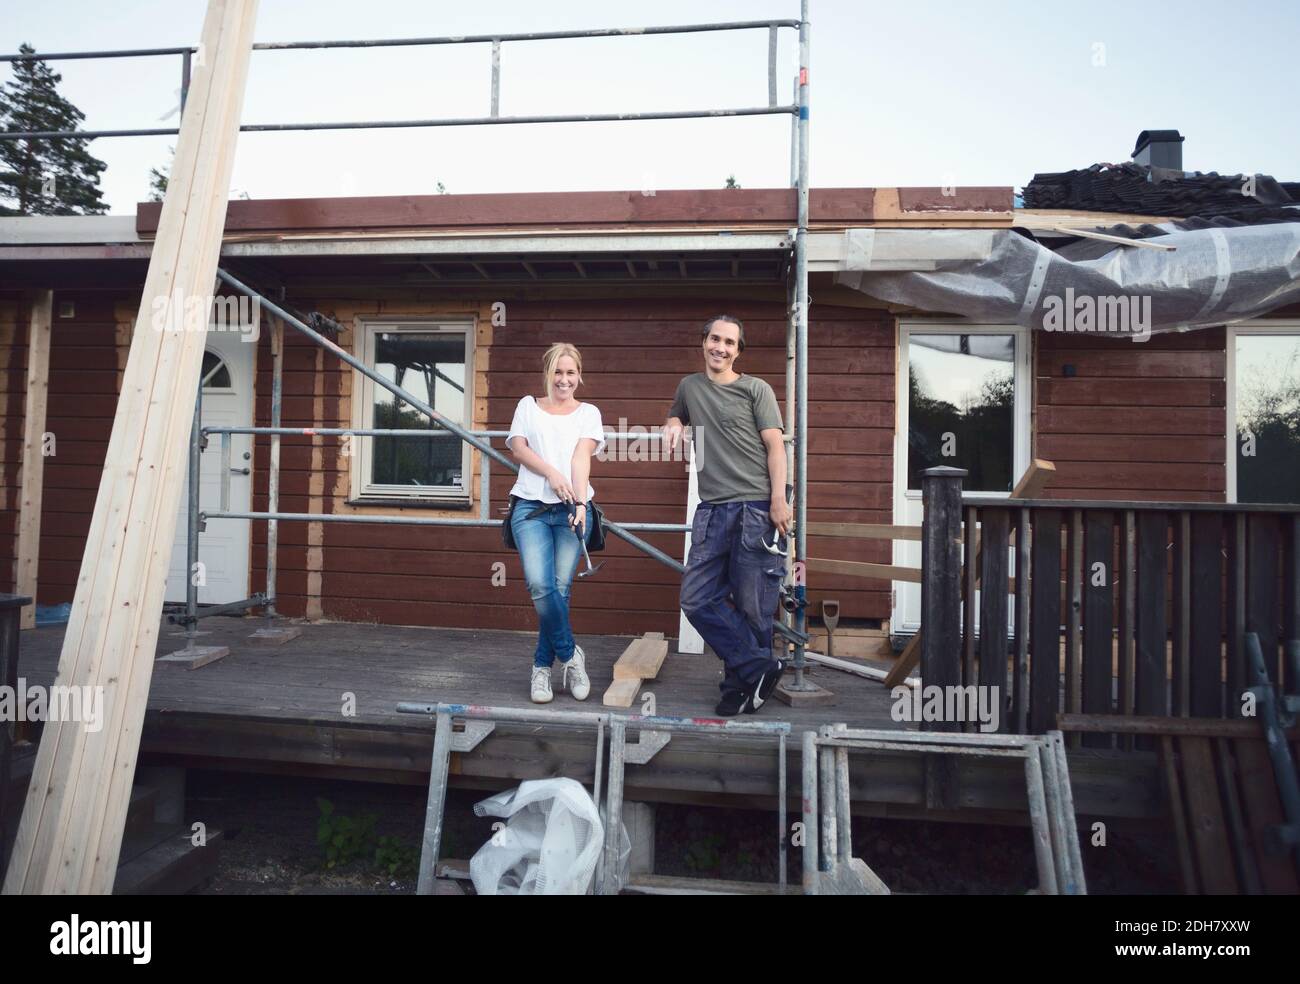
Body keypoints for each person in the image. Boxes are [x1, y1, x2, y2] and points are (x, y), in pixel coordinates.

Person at [663, 315, 792, 716]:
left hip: (756, 508)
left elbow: (775, 447)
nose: (721, 347)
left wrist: (778, 499)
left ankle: (740, 688)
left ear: (738, 351)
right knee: (696, 598)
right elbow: (677, 413)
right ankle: (759, 667)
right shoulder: (689, 387)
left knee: (753, 607)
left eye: (729, 342)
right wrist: (673, 422)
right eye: (715, 339)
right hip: (713, 510)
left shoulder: (756, 389)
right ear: (704, 342)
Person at [506, 342, 605, 703]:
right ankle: (570, 654)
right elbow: (518, 447)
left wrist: (579, 502)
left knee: (560, 590)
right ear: (548, 373)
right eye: (558, 372)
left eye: (570, 373)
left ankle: (541, 669)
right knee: (539, 585)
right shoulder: (527, 406)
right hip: (530, 507)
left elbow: (581, 458)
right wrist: (550, 472)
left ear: (579, 375)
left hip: (570, 511)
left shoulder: (589, 413)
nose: (564, 380)